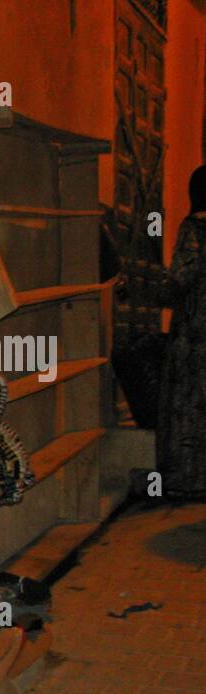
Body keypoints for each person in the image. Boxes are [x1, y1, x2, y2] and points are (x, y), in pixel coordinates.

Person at [156, 165, 206, 500]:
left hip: (195, 334)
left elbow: (179, 280)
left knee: (189, 406)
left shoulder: (195, 229)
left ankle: (191, 480)